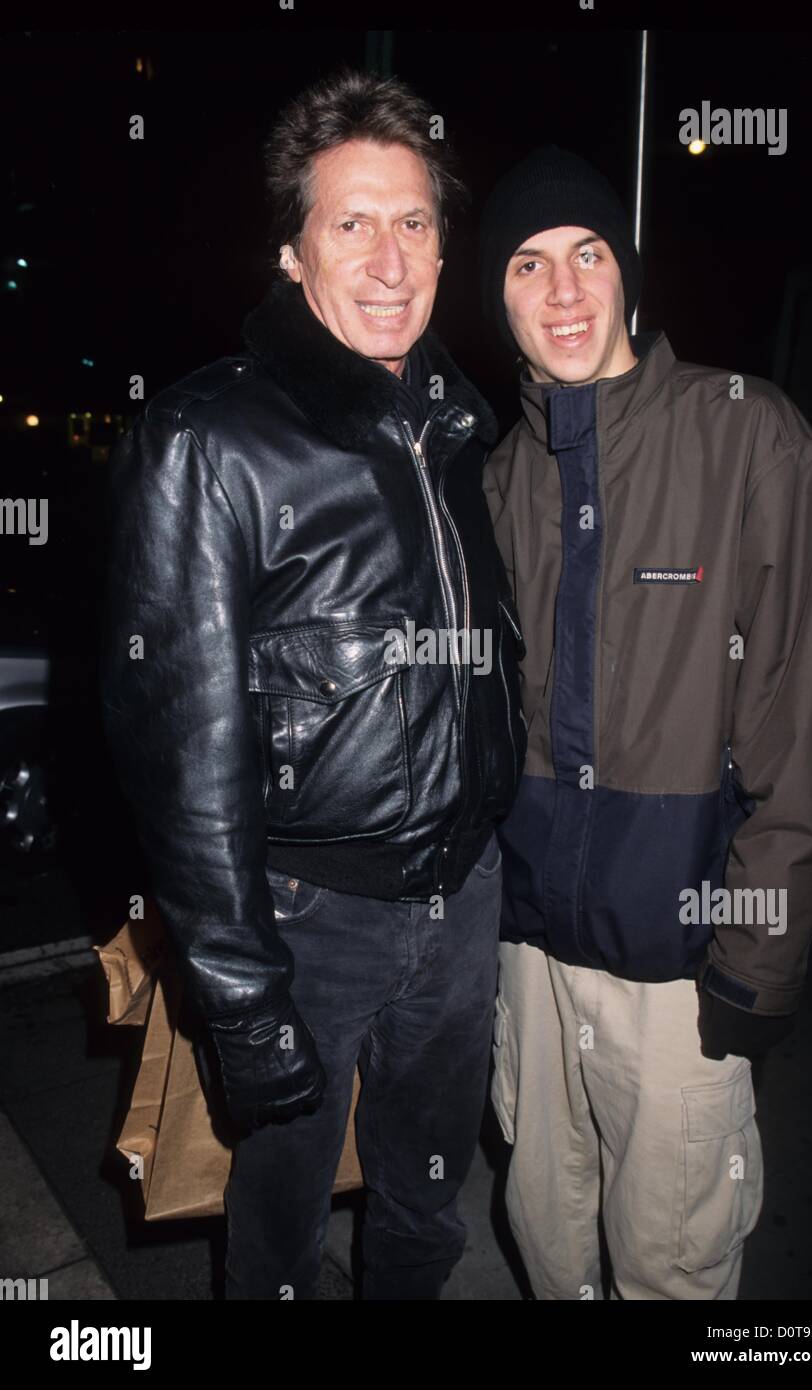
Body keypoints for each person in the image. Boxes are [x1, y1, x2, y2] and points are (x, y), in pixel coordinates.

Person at [100, 67, 525, 1301]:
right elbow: (183, 752)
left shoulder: (459, 427)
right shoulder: (206, 441)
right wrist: (240, 996)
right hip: (308, 920)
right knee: (277, 1234)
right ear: (293, 253)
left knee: (426, 1202)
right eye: (351, 224)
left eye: (415, 223)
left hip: (464, 901)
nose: (390, 260)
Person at [478, 145, 812, 1300]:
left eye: (589, 254)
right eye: (529, 266)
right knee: (549, 1245)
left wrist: (755, 967)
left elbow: (803, 731)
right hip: (529, 961)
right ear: (498, 300)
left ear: (627, 273)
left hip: (682, 976)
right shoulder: (496, 482)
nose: (565, 291)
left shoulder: (751, 438)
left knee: (672, 1271)